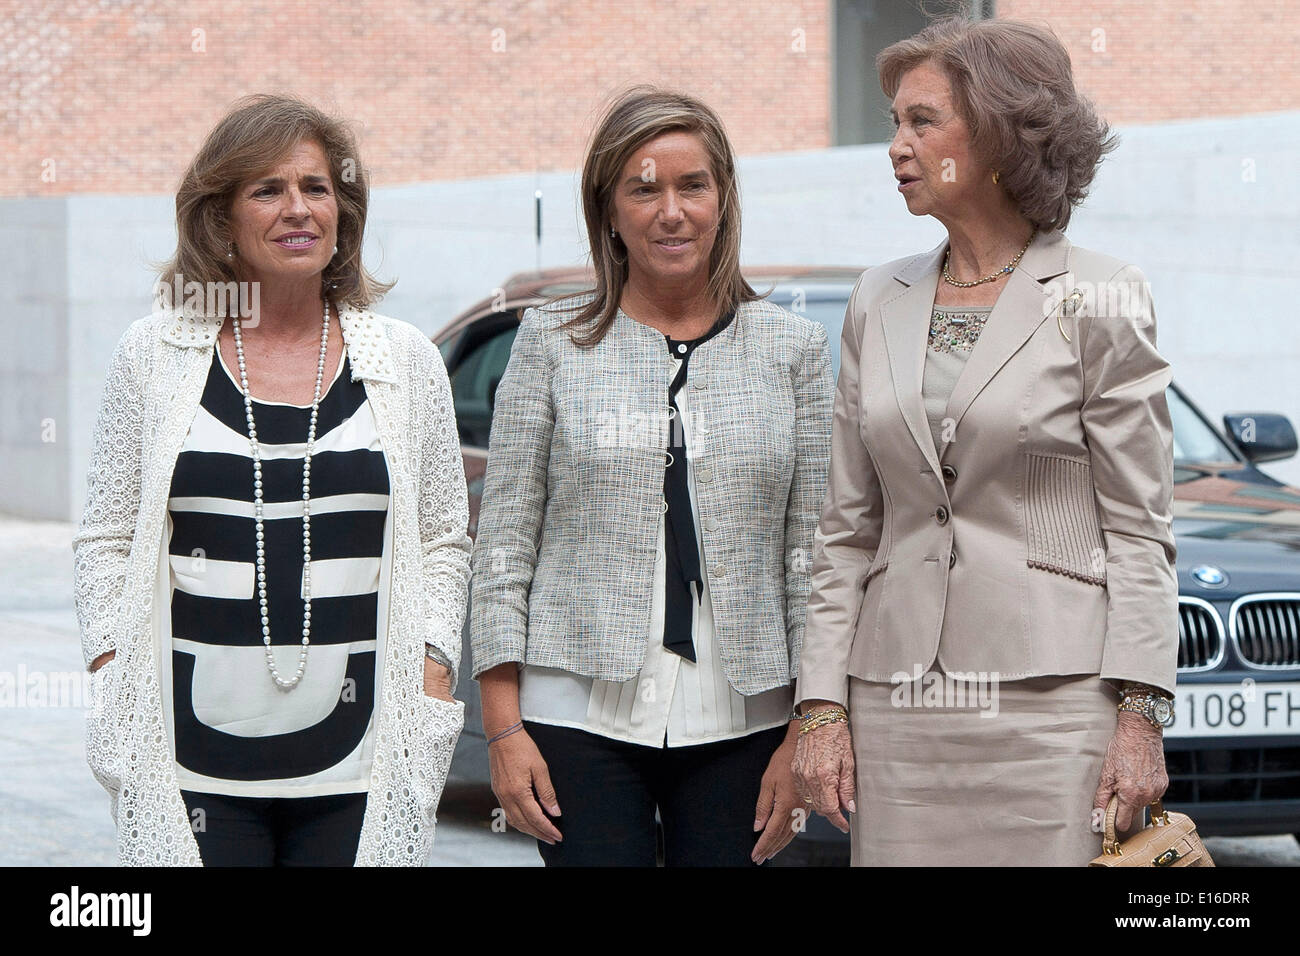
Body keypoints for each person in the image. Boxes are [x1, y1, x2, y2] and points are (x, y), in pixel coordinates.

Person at [793, 18, 1179, 866]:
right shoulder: (876, 297)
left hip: (1055, 701)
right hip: (894, 703)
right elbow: (847, 529)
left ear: (1002, 130)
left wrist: (1140, 713)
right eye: (894, 122)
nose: (896, 145)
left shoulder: (1103, 294)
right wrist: (820, 708)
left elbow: (1140, 527)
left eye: (921, 121)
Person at [74, 94, 470, 866]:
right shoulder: (154, 355)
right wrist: (112, 667)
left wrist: (430, 663)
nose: (299, 210)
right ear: (221, 218)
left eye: (316, 188)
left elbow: (444, 538)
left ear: (343, 210)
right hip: (188, 757)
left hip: (362, 759)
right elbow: (107, 537)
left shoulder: (404, 361)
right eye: (268, 190)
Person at [470, 86, 834, 866]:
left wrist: (808, 726)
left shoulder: (794, 351)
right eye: (643, 188)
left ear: (722, 200)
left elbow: (814, 562)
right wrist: (504, 728)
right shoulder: (550, 343)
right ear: (609, 210)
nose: (671, 211)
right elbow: (502, 547)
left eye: (692, 185)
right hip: (574, 717)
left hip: (750, 720)